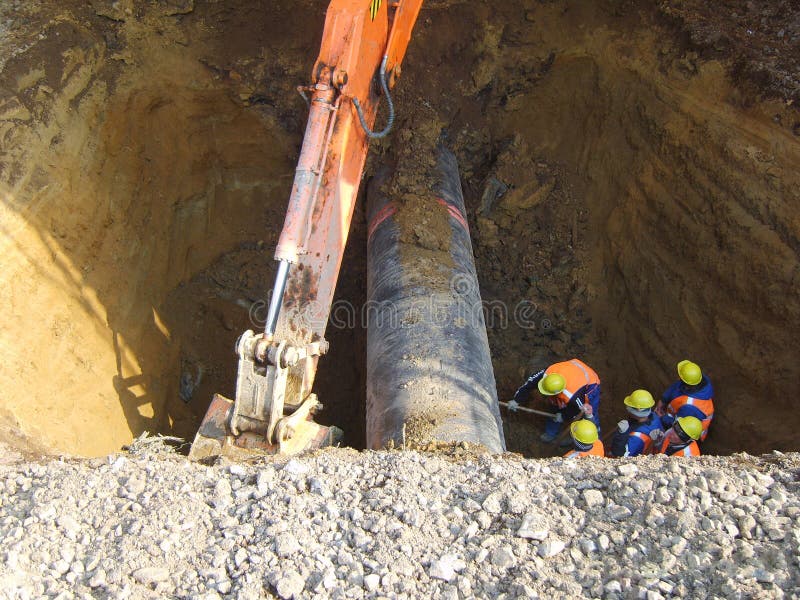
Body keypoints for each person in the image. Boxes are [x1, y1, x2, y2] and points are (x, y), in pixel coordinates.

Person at [507, 358, 600, 443]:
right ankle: (551, 433)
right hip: (572, 369)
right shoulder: (547, 374)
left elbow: (577, 410)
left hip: (590, 383)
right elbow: (529, 384)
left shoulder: (573, 396)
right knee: (554, 404)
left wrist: (564, 416)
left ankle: (590, 441)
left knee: (588, 415)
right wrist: (516, 400)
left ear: (559, 392)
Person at [657, 360, 714, 442]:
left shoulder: (689, 407)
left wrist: (662, 418)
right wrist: (663, 400)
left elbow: (679, 426)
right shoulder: (697, 380)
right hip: (678, 416)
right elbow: (676, 386)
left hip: (687, 433)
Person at [608, 389, 664, 457]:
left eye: (629, 407)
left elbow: (620, 455)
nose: (627, 408)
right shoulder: (655, 418)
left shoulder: (637, 437)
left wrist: (621, 435)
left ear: (636, 411)